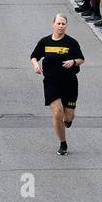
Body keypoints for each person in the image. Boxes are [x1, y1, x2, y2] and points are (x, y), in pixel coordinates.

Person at [30, 13, 84, 155]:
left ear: (66, 26)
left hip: (69, 82)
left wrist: (73, 62)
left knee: (68, 116)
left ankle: (67, 121)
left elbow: (81, 59)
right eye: (58, 23)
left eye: (63, 24)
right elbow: (34, 56)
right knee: (57, 112)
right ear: (53, 24)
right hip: (51, 82)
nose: (60, 26)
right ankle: (63, 143)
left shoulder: (71, 42)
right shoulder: (45, 42)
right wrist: (36, 65)